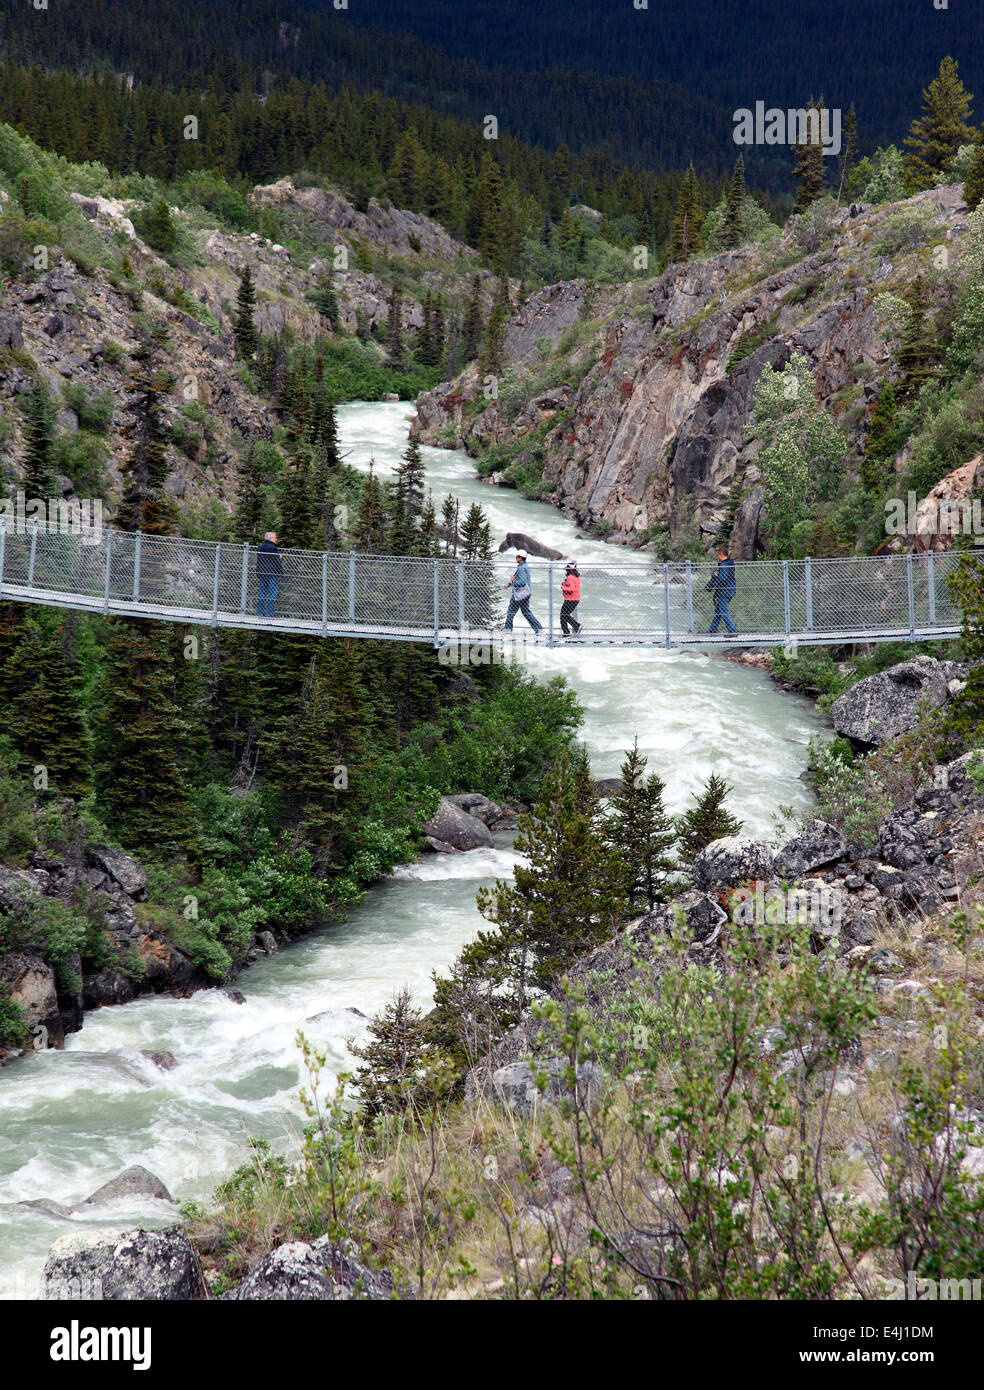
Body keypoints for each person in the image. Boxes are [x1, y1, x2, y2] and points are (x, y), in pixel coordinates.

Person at [501, 552, 542, 634]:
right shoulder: (525, 566)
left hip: (519, 594)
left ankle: (508, 629)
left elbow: (522, 582)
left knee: (511, 611)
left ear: (520, 558)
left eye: (517, 557)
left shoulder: (521, 568)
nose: (516, 558)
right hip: (525, 593)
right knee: (526, 612)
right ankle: (538, 629)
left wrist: (513, 581)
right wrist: (509, 584)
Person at [707, 548, 737, 634]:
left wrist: (715, 584)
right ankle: (713, 629)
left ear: (720, 555)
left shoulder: (724, 565)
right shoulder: (729, 564)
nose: (717, 557)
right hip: (729, 591)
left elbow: (723, 579)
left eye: (717, 555)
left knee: (724, 612)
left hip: (724, 592)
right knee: (719, 611)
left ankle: (732, 631)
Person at [256, 531, 282, 617]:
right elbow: (276, 560)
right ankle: (269, 614)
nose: (276, 539)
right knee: (272, 594)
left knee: (262, 593)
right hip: (272, 574)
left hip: (262, 573)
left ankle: (260, 613)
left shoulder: (260, 547)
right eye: (275, 538)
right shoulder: (273, 548)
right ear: (271, 538)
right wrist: (280, 558)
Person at [560, 561, 582, 636]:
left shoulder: (570, 577)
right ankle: (569, 631)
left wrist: (563, 586)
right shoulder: (577, 577)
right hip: (576, 599)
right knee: (565, 615)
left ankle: (569, 631)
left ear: (569, 570)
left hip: (570, 600)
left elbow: (571, 589)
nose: (566, 571)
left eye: (567, 569)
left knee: (563, 615)